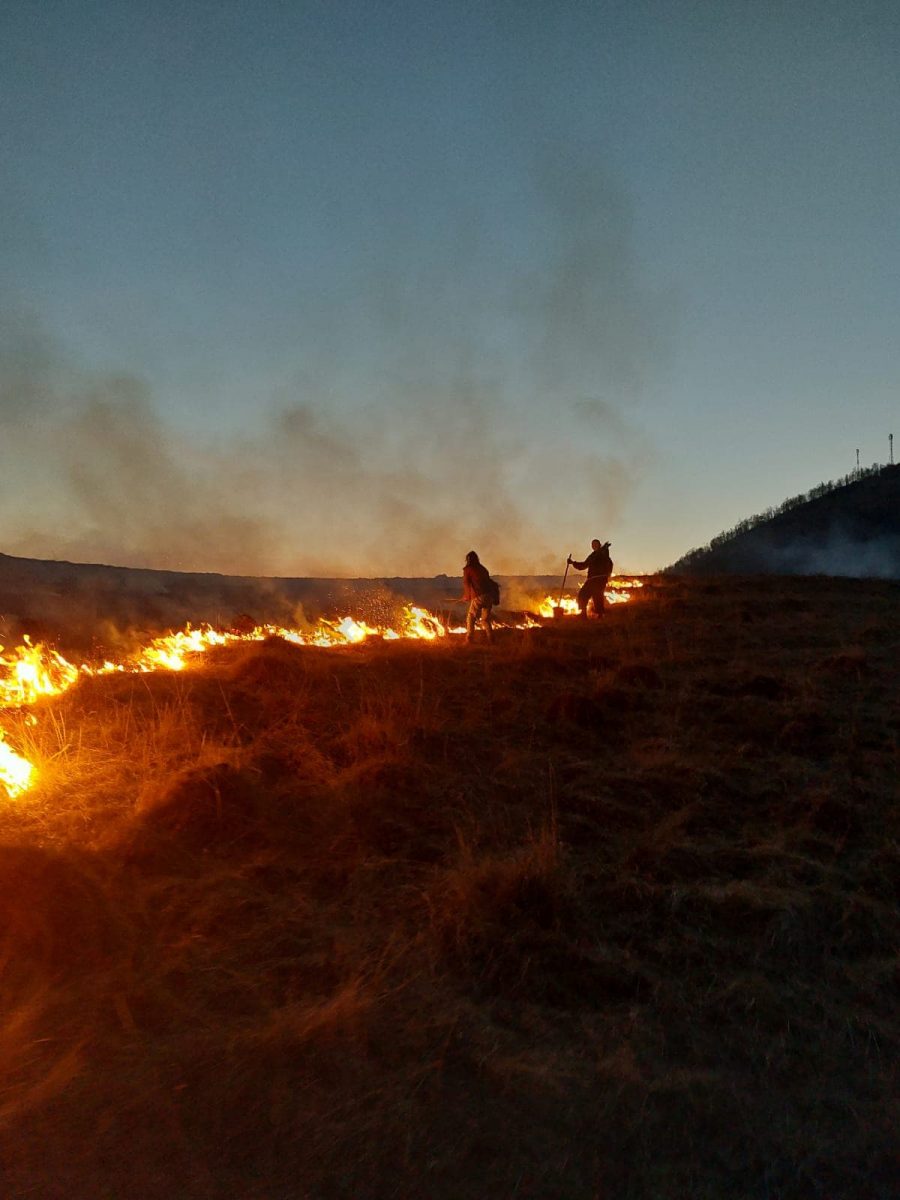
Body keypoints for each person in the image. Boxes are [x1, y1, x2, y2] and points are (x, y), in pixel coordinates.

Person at [568, 539, 613, 618]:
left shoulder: (603, 553)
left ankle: (599, 615)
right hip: (592, 579)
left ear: (599, 545)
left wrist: (606, 575)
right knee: (584, 594)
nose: (594, 546)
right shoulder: (593, 555)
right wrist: (573, 563)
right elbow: (584, 565)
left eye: (595, 544)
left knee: (597, 596)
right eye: (592, 545)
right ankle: (584, 614)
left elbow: (609, 563)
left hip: (599, 579)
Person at [459, 550, 494, 644]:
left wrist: (466, 596)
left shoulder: (468, 569)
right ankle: (491, 639)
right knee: (485, 620)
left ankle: (469, 639)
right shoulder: (483, 569)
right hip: (490, 596)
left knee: (471, 617)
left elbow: (466, 584)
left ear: (468, 560)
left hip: (479, 596)